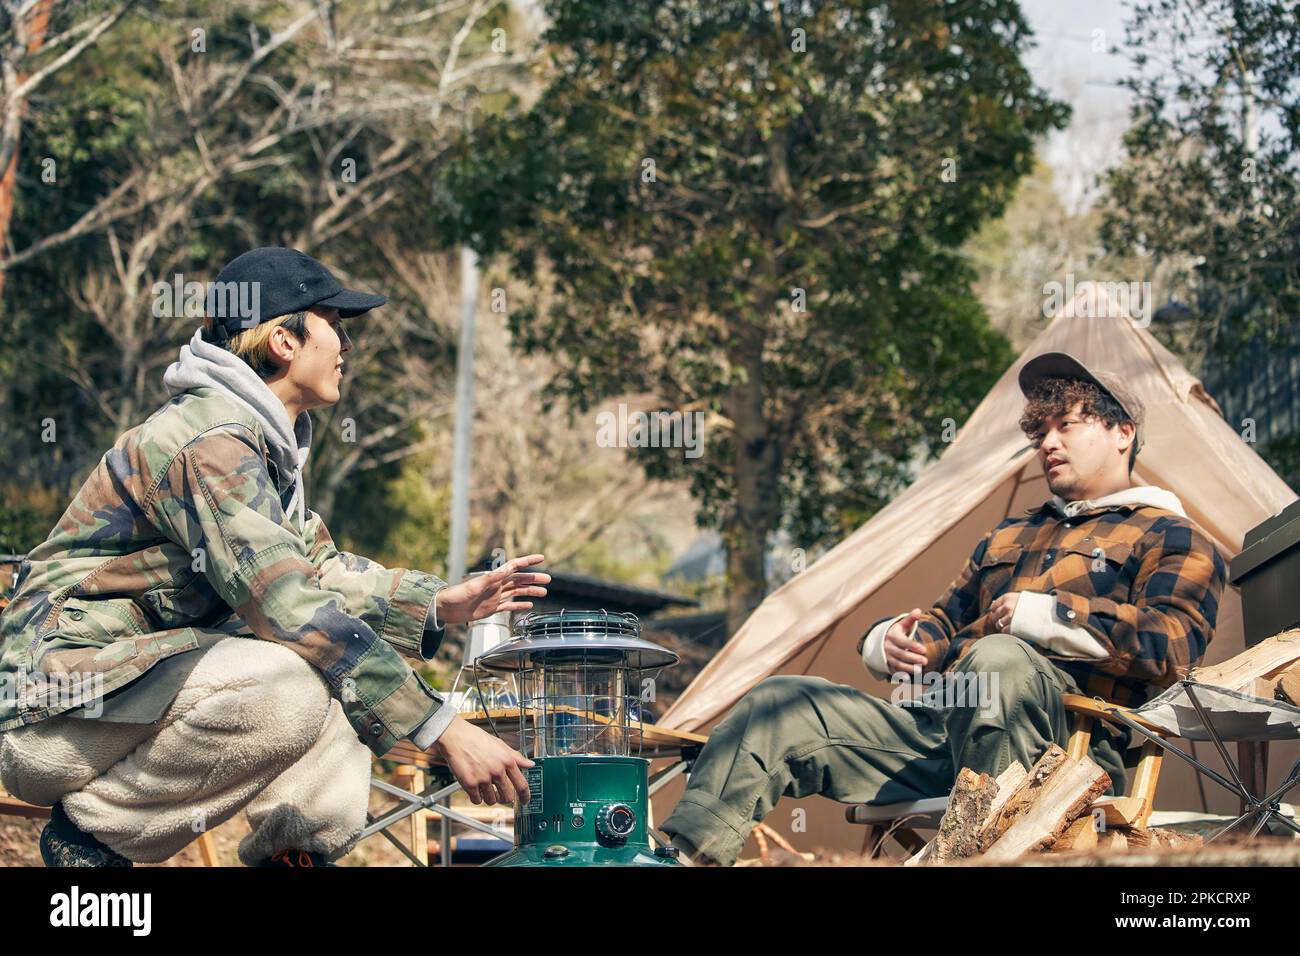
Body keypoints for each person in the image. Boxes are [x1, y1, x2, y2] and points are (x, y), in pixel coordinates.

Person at [0, 247, 547, 867]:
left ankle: (294, 857)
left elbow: (314, 571)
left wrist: (439, 604)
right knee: (294, 674)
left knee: (335, 674)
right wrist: (442, 728)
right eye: (334, 326)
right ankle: (94, 841)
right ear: (285, 341)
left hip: (128, 699)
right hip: (52, 714)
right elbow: (288, 605)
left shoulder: (264, 450)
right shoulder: (209, 444)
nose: (346, 345)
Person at [659, 351, 1227, 866]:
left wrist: (1048, 616)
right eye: (1040, 431)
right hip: (942, 733)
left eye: (1067, 426)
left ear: (1123, 432)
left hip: (1066, 753)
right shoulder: (1009, 535)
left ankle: (989, 854)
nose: (1048, 443)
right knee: (782, 701)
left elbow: (1172, 645)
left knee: (1001, 658)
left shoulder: (1172, 535)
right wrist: (893, 640)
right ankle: (685, 856)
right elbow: (941, 620)